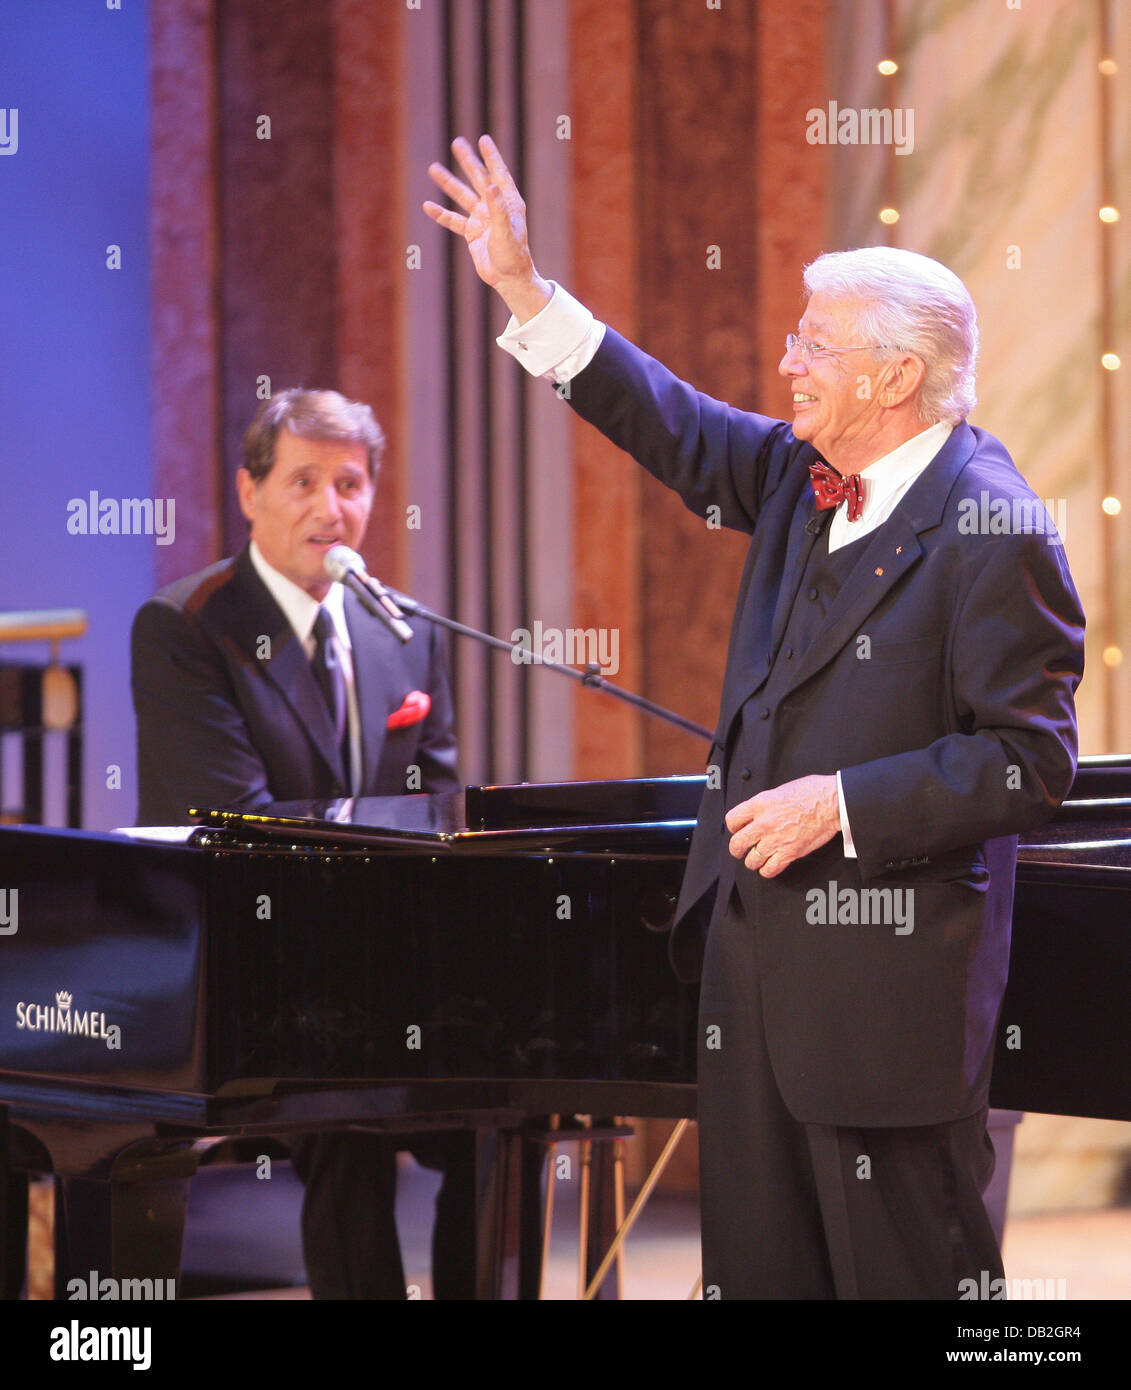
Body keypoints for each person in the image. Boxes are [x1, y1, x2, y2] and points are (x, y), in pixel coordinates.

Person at [425, 136, 1086, 1299]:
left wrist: (843, 804)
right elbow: (668, 420)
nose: (786, 363)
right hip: (754, 977)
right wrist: (525, 290)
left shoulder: (998, 524)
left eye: (813, 344)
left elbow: (1028, 763)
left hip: (887, 1003)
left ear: (892, 377)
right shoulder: (797, 471)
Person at [131, 388, 471, 1299]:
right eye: (304, 481)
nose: (332, 508)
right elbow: (235, 822)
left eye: (352, 483)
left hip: (380, 960)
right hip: (245, 960)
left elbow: (437, 808)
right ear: (249, 492)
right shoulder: (188, 627)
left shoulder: (407, 631)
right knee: (345, 1107)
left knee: (498, 1106)